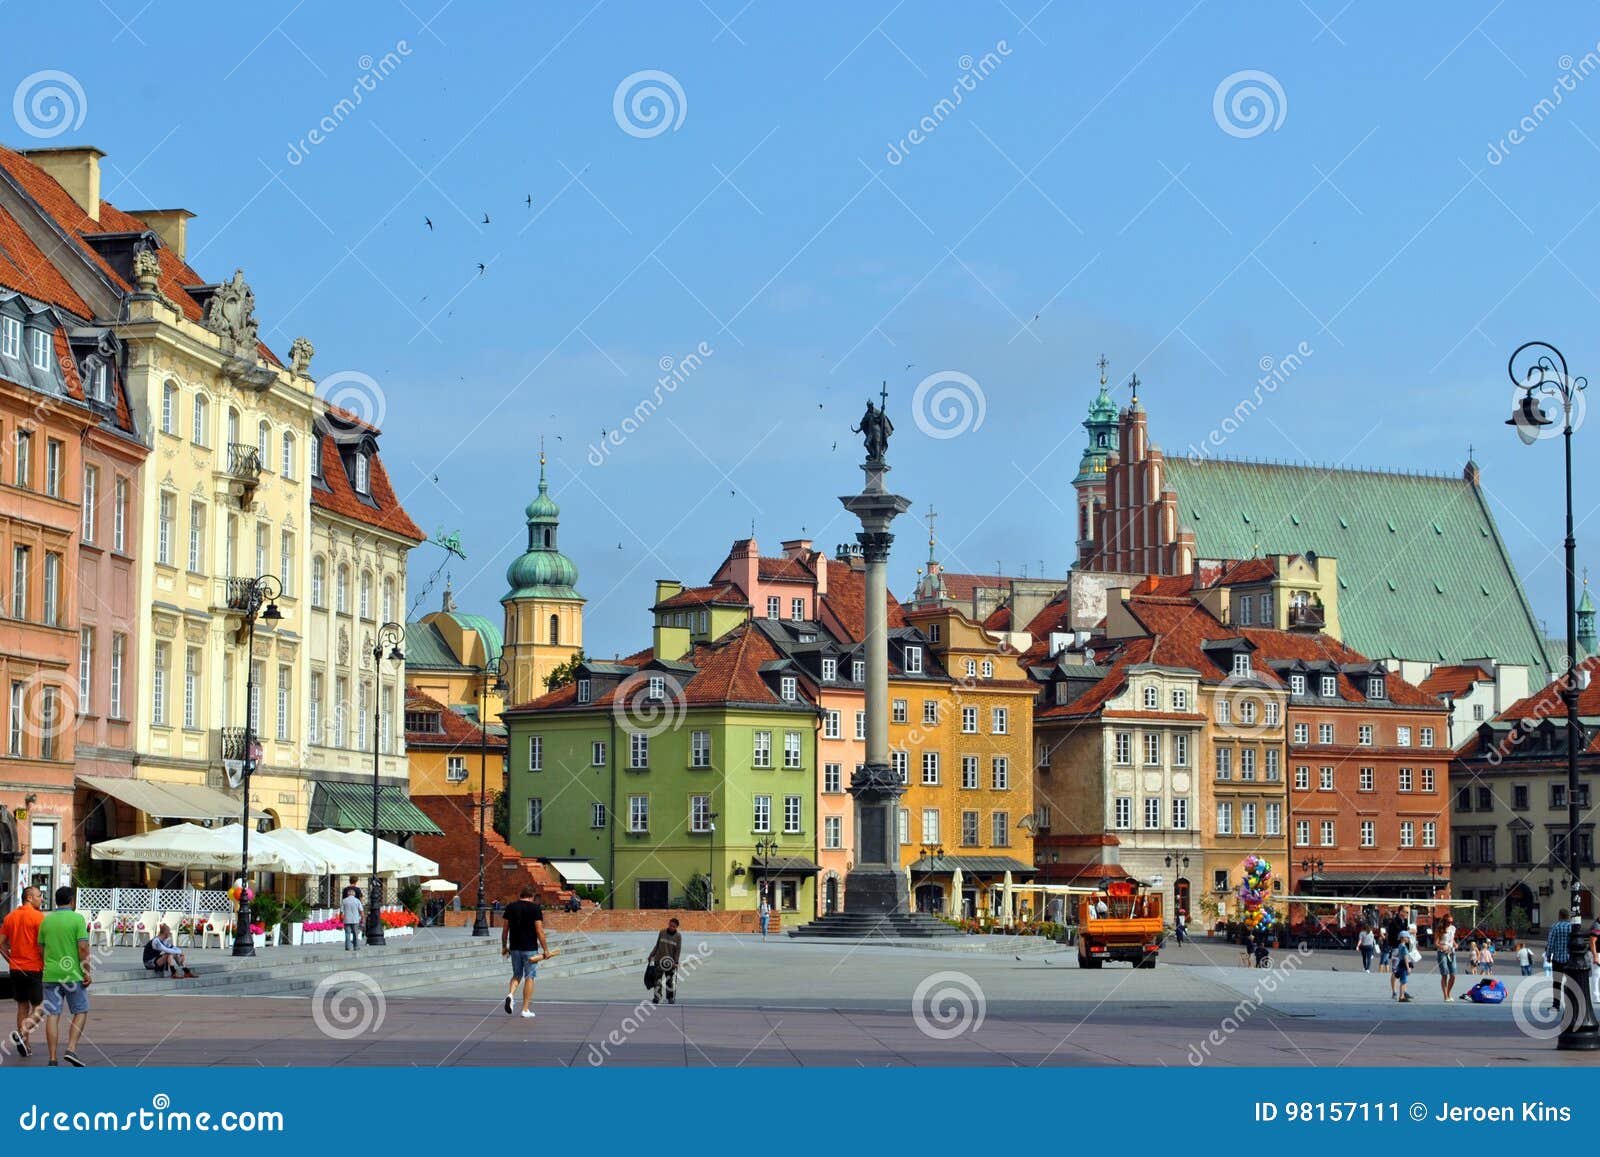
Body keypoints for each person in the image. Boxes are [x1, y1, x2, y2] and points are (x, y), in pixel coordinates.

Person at [38, 886, 90, 1066]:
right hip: (73, 974)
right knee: (80, 1011)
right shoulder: (77, 919)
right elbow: (83, 948)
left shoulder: (46, 921)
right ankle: (71, 1049)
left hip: (50, 973)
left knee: (52, 1014)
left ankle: (52, 1058)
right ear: (72, 901)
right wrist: (86, 971)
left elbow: (41, 949)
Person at [0, 885, 44, 1058]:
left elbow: (1, 943)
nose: (42, 899)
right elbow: (42, 945)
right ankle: (22, 1033)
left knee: (22, 1006)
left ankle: (25, 1044)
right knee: (39, 1008)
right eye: (39, 896)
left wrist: (10, 960)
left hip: (15, 969)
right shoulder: (38, 917)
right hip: (33, 967)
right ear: (29, 898)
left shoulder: (10, 917)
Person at [501, 886, 549, 1019]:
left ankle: (510, 995)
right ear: (532, 897)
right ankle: (525, 1009)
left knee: (516, 974)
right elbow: (539, 931)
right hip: (530, 948)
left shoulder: (511, 907)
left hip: (514, 947)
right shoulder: (535, 908)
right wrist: (546, 950)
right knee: (529, 977)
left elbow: (505, 930)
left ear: (520, 895)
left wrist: (504, 946)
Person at [649, 917, 683, 1005]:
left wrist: (676, 962)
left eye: (673, 926)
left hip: (670, 963)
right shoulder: (662, 932)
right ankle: (657, 997)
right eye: (670, 925)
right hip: (659, 960)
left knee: (669, 981)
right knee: (657, 980)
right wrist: (651, 954)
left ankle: (670, 997)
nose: (671, 927)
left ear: (676, 927)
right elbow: (657, 945)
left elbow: (678, 950)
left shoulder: (678, 936)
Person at [1436, 914, 1458, 1002]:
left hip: (1452, 952)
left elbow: (1451, 939)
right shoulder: (1440, 929)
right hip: (1442, 953)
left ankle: (1449, 993)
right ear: (1444, 921)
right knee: (1444, 974)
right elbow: (1436, 943)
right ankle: (1445, 995)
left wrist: (1455, 944)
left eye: (1451, 922)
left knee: (1453, 975)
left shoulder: (1453, 928)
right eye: (1448, 922)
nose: (1450, 924)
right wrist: (1442, 947)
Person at [1392, 923, 1415, 1002]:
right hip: (1403, 965)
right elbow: (1405, 958)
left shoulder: (1400, 945)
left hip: (1400, 965)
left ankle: (1402, 995)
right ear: (1403, 938)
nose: (1408, 938)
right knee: (1403, 981)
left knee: (1402, 980)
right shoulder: (1404, 947)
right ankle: (1401, 996)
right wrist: (1408, 967)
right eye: (1407, 937)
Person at [341, 888, 364, 952]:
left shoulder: (344, 901)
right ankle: (356, 947)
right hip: (355, 920)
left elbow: (341, 911)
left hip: (347, 920)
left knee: (347, 934)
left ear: (348, 894)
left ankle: (348, 947)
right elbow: (361, 911)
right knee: (355, 933)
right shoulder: (357, 901)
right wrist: (362, 918)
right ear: (354, 894)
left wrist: (341, 919)